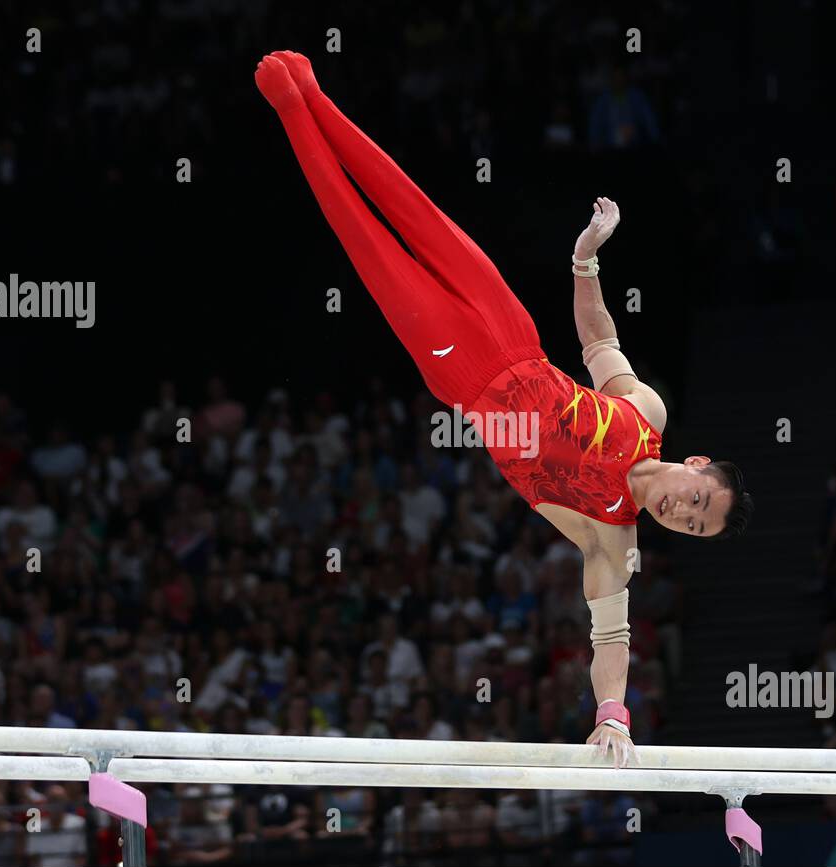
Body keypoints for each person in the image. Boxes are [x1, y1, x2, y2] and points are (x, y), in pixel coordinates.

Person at [255, 51, 754, 767]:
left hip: (466, 378)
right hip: (512, 328)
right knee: (409, 204)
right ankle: (316, 93)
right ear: (696, 467)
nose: (685, 513)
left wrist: (613, 717)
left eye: (695, 526)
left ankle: (289, 107)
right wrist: (587, 258)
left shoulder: (611, 540)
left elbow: (611, 642)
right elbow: (599, 339)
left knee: (364, 240)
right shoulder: (647, 412)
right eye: (698, 500)